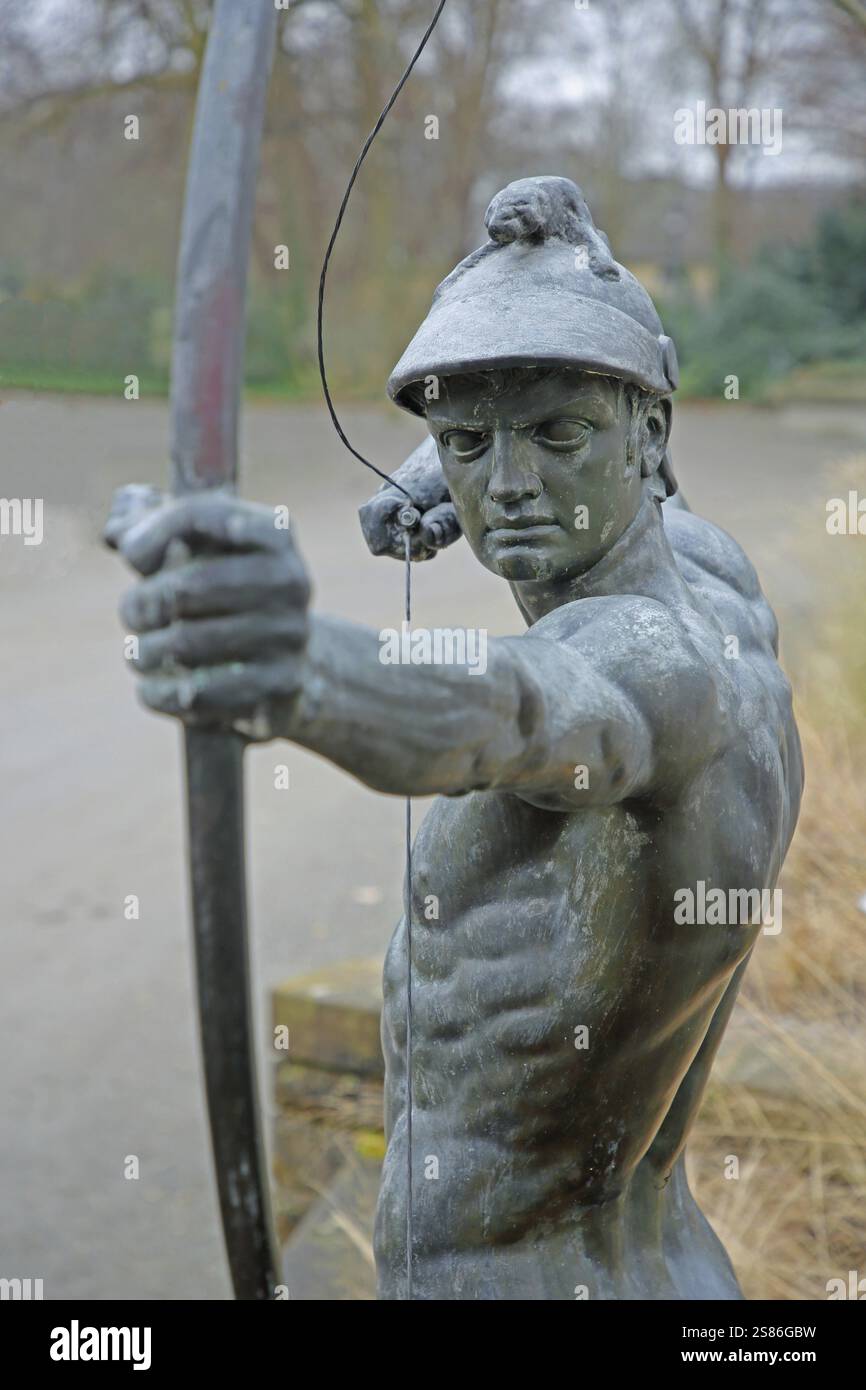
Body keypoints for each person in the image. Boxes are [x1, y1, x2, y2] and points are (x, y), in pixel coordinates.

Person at [108, 177, 802, 1300]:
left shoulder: (650, 666)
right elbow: (607, 461)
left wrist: (289, 659)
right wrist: (464, 460)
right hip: (662, 1266)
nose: (508, 483)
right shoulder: (715, 585)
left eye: (553, 435)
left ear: (647, 429)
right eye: (469, 440)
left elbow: (518, 705)